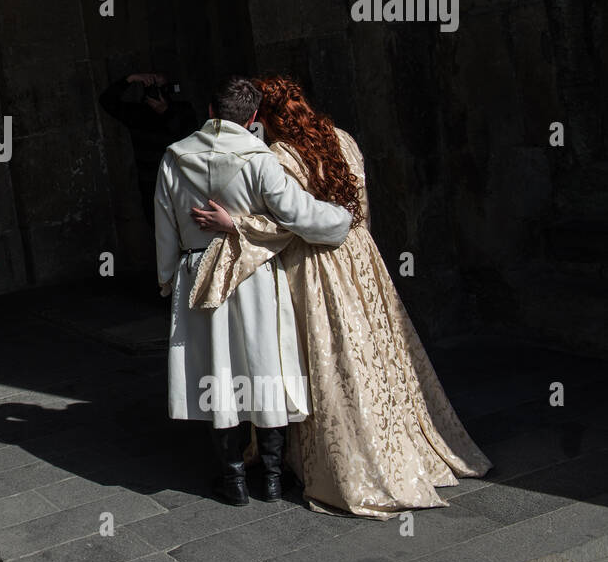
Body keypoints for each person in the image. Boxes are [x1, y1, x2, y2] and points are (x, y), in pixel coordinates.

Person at [188, 75, 492, 518]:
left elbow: (295, 225)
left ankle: (347, 462)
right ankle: (394, 439)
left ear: (265, 116)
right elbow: (357, 205)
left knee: (330, 359)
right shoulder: (341, 138)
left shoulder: (277, 156)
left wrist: (236, 226)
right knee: (374, 353)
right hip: (361, 256)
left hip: (316, 265)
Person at [155, 76, 353, 506]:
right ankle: (274, 479)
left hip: (198, 274)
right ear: (254, 117)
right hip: (253, 273)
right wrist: (340, 219)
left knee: (218, 374)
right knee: (264, 368)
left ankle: (234, 481)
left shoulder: (173, 158)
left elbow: (165, 226)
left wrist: (168, 276)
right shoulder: (259, 159)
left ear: (210, 110)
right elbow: (297, 213)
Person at [100, 72, 199, 227]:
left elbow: (189, 136)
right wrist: (131, 78)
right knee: (160, 229)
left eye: (160, 87)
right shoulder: (138, 114)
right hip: (152, 185)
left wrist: (166, 111)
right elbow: (107, 101)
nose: (156, 91)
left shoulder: (182, 110)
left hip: (182, 180)